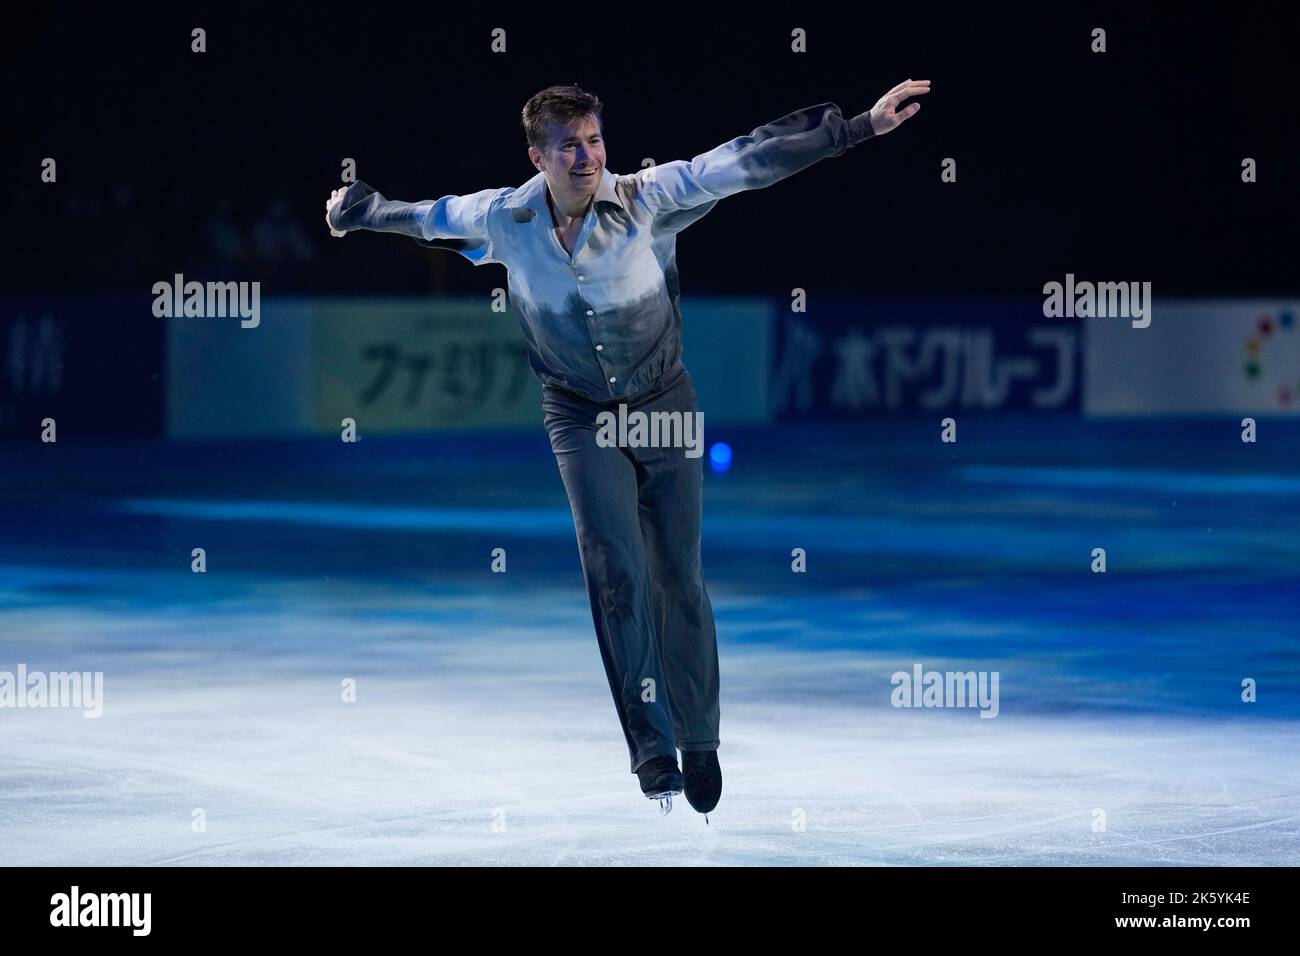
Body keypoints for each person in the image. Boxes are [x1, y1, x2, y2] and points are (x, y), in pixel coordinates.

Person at [324, 80, 930, 815]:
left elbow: (747, 159)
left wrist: (857, 127)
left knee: (676, 573)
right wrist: (360, 209)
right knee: (614, 570)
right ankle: (651, 749)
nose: (587, 157)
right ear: (538, 156)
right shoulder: (506, 217)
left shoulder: (649, 197)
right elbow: (426, 218)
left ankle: (698, 737)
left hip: (663, 403)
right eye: (569, 146)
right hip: (577, 413)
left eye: (594, 140)